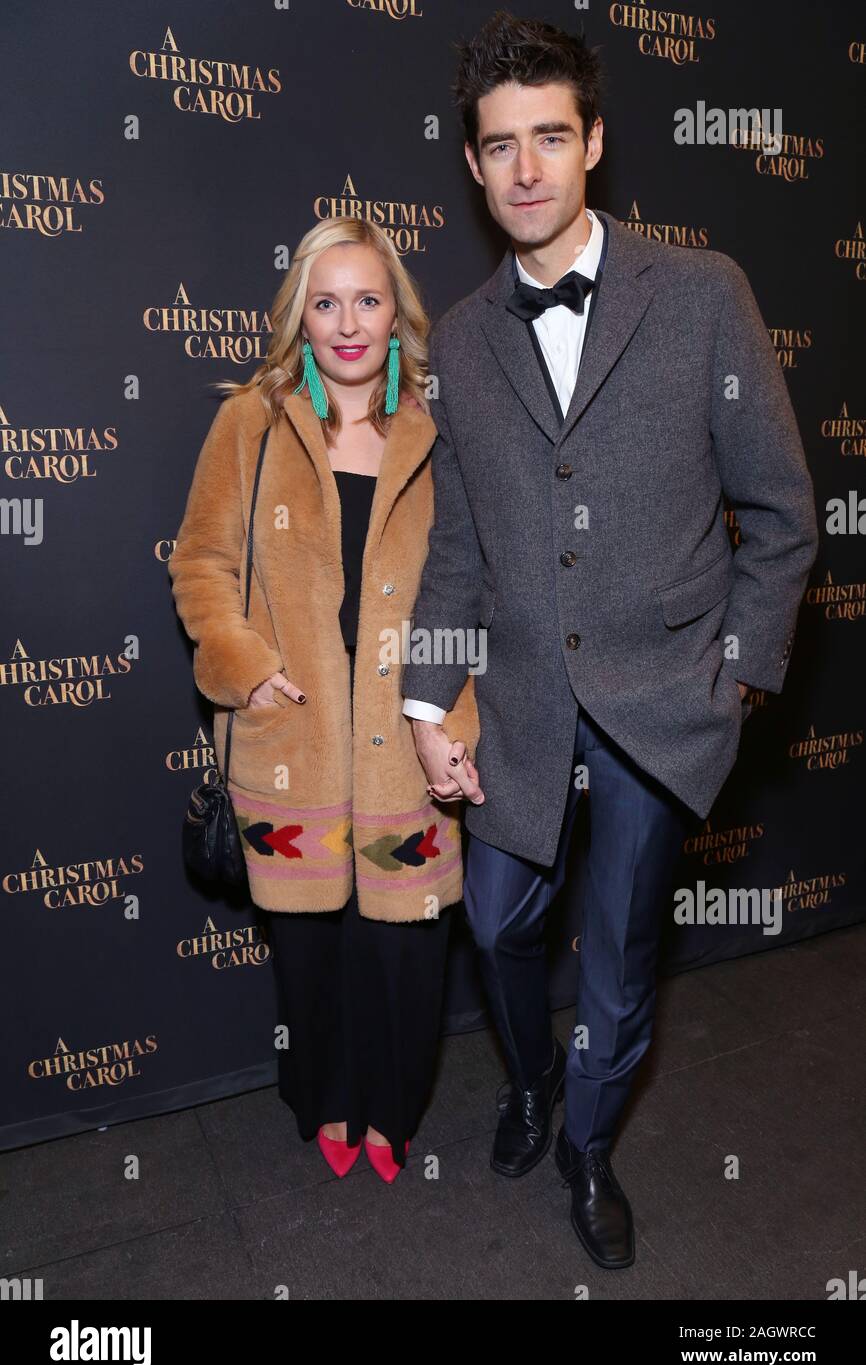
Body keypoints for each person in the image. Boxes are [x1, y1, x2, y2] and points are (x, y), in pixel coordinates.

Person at [401, 12, 818, 1264]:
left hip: (658, 696)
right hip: (521, 703)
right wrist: (428, 709)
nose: (524, 167)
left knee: (625, 957)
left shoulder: (700, 295)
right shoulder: (462, 341)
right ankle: (527, 1082)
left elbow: (782, 514)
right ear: (471, 167)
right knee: (497, 924)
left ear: (591, 142)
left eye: (547, 136)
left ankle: (587, 1145)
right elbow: (458, 551)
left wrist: (736, 675)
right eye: (498, 145)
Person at [168, 216, 482, 1183]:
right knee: (307, 953)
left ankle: (393, 1109)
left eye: (369, 300)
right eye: (327, 300)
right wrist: (243, 661)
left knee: (406, 955)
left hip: (408, 740)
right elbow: (202, 564)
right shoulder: (251, 422)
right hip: (294, 735)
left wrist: (455, 720)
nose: (349, 322)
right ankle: (329, 1098)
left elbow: (474, 583)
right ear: (300, 314)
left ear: (398, 316)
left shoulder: (442, 428)